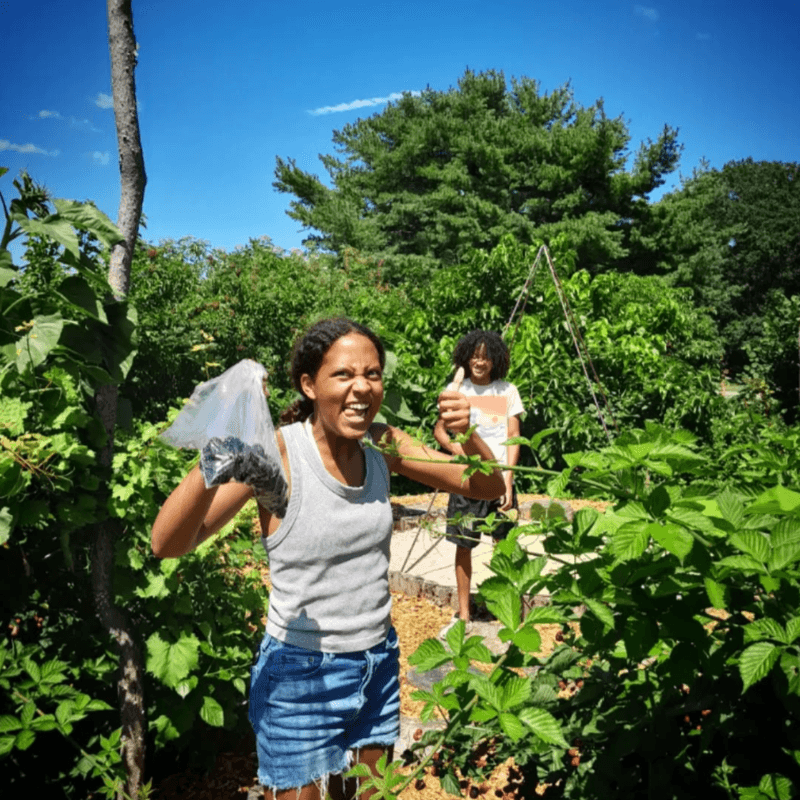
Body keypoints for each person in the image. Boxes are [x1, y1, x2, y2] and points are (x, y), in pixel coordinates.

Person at [151, 318, 504, 800]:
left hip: (376, 664)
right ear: (309, 385)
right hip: (300, 674)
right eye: (343, 375)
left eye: (373, 374)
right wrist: (213, 460)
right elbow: (168, 543)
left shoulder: (383, 444)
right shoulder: (278, 455)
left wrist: (467, 435)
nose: (362, 387)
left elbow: (486, 486)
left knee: (367, 795)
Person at [433, 330, 524, 639]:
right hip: (467, 481)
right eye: (475, 355)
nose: (479, 361)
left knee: (504, 547)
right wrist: (461, 454)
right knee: (463, 545)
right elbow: (441, 432)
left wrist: (508, 482)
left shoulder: (507, 391)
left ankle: (506, 611)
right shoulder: (457, 389)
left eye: (485, 356)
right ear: (466, 357)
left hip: (498, 478)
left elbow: (513, 436)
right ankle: (464, 613)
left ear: (494, 359)